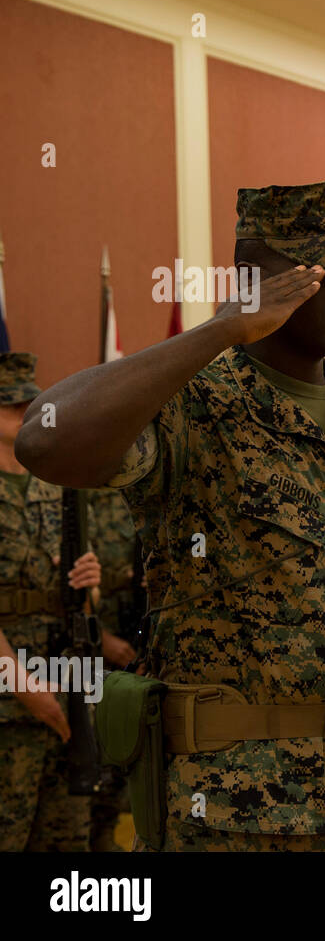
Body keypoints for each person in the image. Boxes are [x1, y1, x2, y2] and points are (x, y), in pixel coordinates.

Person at [16, 182, 325, 851]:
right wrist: (224, 328)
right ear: (253, 281)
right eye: (324, 273)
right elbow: (44, 440)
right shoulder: (193, 408)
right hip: (247, 809)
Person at [0, 352, 102, 852]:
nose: (25, 413)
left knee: (66, 836)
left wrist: (91, 580)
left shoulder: (54, 485)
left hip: (63, 678)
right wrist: (20, 686)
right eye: (12, 404)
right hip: (8, 697)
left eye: (29, 403)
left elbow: (80, 597)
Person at [84, 487, 140, 851]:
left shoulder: (136, 497)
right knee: (92, 747)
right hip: (87, 646)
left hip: (133, 636)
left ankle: (105, 829)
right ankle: (91, 830)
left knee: (124, 743)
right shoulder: (75, 498)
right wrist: (100, 640)